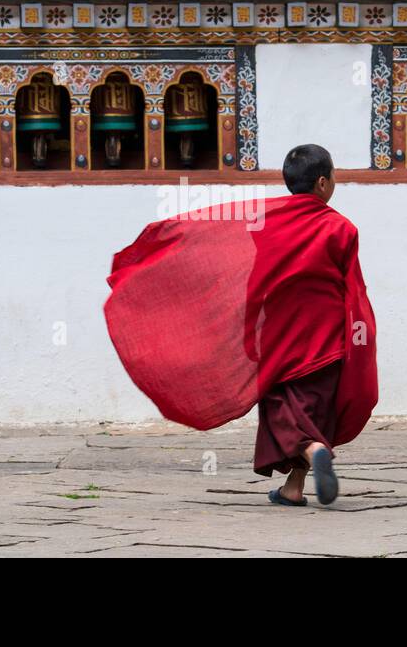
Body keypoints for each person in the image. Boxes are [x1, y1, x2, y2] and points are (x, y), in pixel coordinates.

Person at [104, 143, 377, 508]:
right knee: (316, 411)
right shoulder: (342, 229)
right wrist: (360, 335)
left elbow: (258, 281)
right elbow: (352, 288)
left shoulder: (267, 225)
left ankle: (312, 452)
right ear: (324, 183)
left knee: (285, 410)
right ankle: (294, 487)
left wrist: (247, 331)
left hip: (280, 338)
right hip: (327, 340)